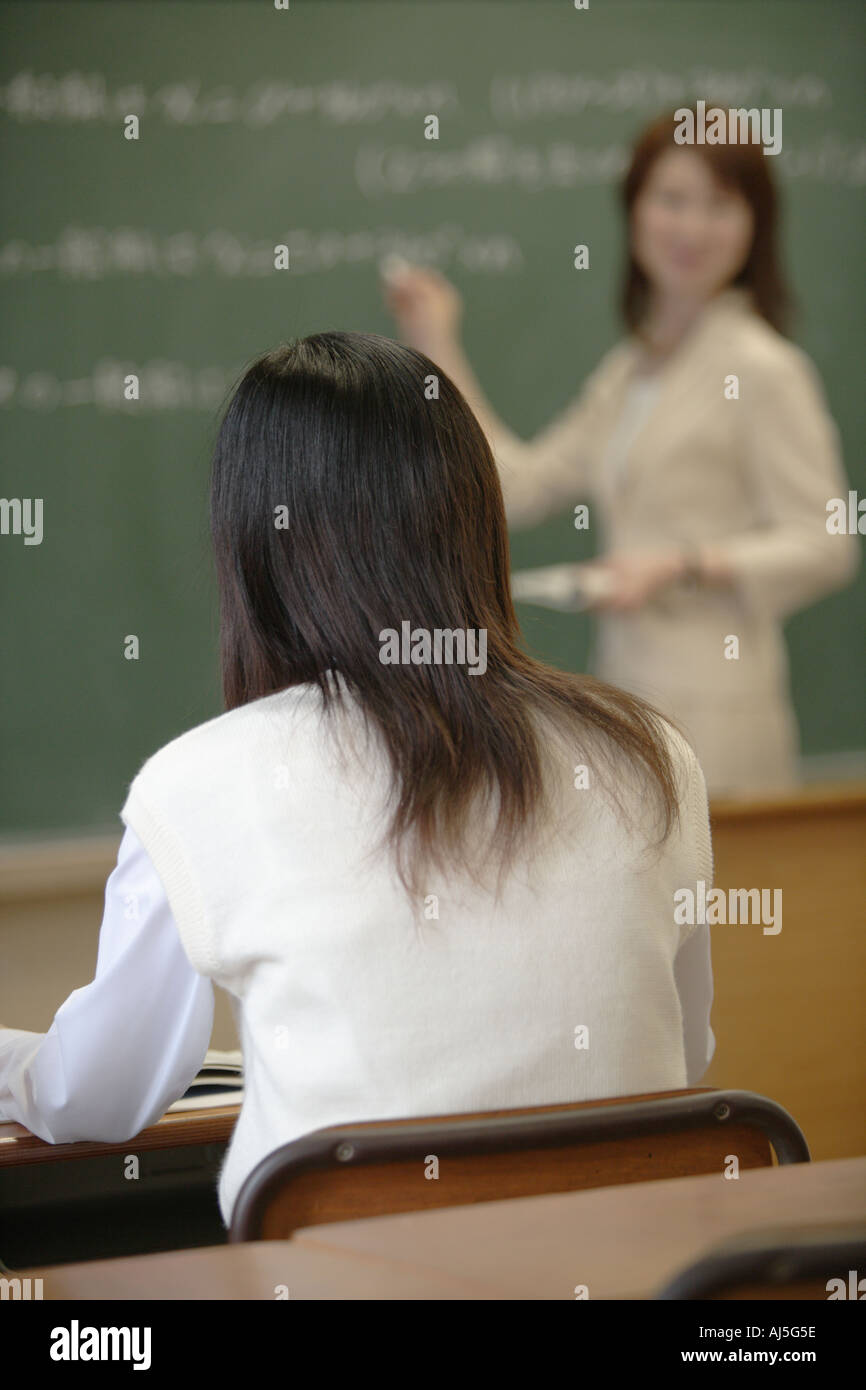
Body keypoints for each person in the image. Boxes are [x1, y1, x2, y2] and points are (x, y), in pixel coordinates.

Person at [0, 332, 714, 1229]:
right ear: (475, 518)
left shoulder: (198, 784)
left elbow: (94, 1096)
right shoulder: (650, 757)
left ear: (256, 545)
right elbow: (679, 1059)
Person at [383, 107, 858, 797]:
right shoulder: (629, 372)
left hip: (721, 722)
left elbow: (829, 544)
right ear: (635, 210)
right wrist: (436, 341)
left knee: (713, 899)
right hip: (631, 706)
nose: (692, 228)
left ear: (754, 225)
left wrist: (679, 565)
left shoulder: (762, 367)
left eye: (720, 205)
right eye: (671, 199)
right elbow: (513, 486)